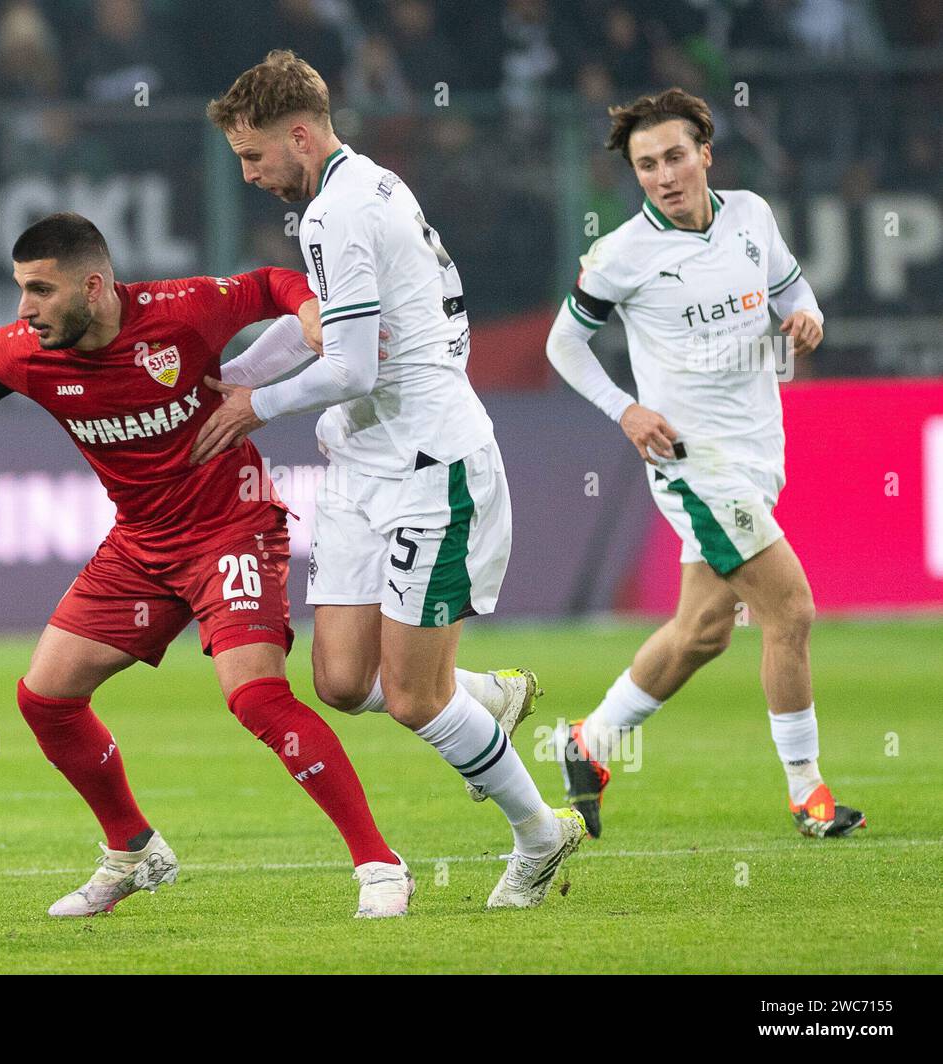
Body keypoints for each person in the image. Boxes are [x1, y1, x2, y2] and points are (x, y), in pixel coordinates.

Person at [0, 213, 416, 918]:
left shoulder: (185, 312)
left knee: (255, 697)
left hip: (229, 529)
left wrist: (308, 311)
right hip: (141, 545)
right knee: (44, 698)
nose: (25, 308)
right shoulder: (22, 353)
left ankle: (378, 864)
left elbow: (269, 282)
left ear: (94, 285)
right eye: (21, 289)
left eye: (41, 290)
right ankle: (135, 848)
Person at [194, 50, 584, 911]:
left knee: (410, 696)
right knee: (339, 681)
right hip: (361, 470)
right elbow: (315, 334)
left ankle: (538, 834)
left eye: (255, 157)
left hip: (428, 469)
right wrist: (228, 381)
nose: (252, 176)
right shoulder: (363, 188)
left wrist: (252, 409)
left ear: (300, 134)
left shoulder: (340, 214)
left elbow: (356, 367)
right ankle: (488, 696)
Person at [543, 87, 865, 840]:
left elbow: (792, 290)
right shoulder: (621, 254)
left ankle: (588, 745)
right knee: (791, 610)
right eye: (647, 164)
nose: (663, 175)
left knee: (703, 631)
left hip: (759, 453)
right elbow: (562, 344)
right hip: (691, 464)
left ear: (705, 155)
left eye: (675, 156)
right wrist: (623, 408)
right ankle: (807, 794)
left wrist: (807, 315)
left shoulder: (750, 214)